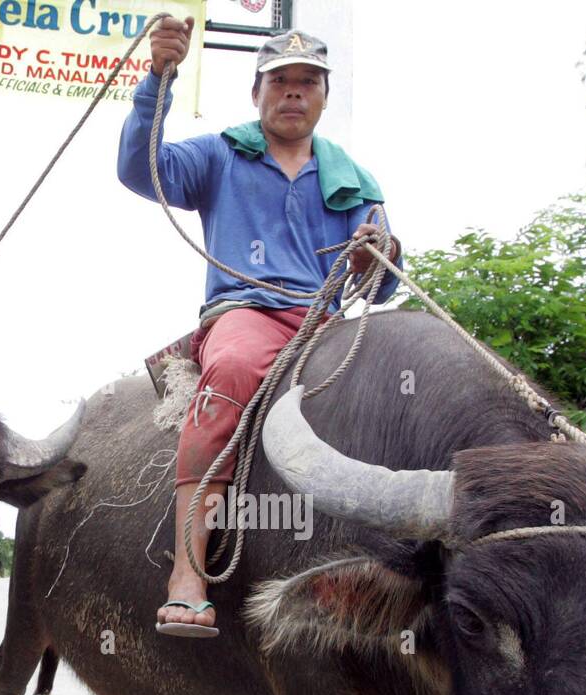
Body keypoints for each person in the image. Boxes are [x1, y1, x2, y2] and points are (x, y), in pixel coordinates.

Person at [117, 16, 403, 637]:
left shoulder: (355, 180)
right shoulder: (223, 152)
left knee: (395, 386)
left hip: (326, 324)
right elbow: (143, 172)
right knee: (236, 366)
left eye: (307, 82)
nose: (293, 92)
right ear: (257, 93)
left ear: (324, 96)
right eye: (280, 82)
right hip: (245, 313)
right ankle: (188, 571)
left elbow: (383, 287)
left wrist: (376, 256)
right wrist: (158, 78)